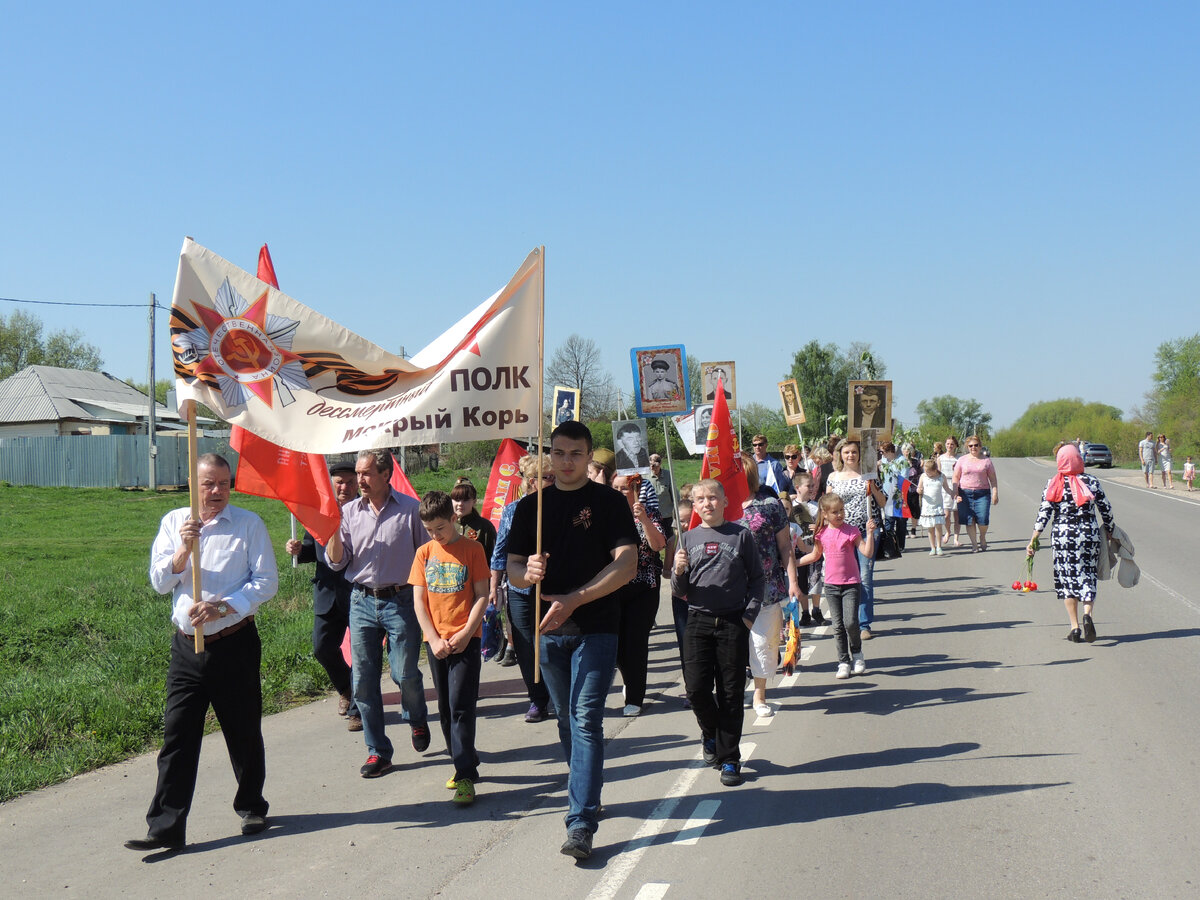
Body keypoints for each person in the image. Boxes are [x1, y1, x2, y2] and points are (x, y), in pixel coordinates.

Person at [126, 453, 277, 852]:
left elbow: (266, 583)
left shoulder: (248, 525)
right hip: (186, 648)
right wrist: (182, 552)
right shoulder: (174, 522)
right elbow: (160, 582)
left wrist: (223, 606)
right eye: (209, 484)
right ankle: (165, 826)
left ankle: (251, 806)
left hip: (234, 643)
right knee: (177, 734)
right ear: (194, 484)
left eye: (224, 485)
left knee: (242, 729)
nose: (217, 492)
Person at [506, 420, 638, 861]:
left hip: (597, 626)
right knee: (564, 720)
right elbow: (514, 570)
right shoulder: (531, 509)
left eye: (575, 454)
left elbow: (628, 565)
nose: (566, 462)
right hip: (548, 630)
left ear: (588, 456)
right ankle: (588, 788)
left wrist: (576, 600)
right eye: (559, 453)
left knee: (585, 719)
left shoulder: (609, 503)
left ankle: (580, 822)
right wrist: (530, 575)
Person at [327, 449, 431, 779]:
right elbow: (336, 562)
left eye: (366, 473)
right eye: (358, 473)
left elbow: (426, 556)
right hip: (361, 601)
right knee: (364, 681)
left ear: (386, 475)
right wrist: (330, 528)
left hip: (400, 600)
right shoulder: (348, 513)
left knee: (404, 673)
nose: (359, 480)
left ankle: (415, 717)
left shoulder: (410, 510)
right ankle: (378, 752)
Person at [672, 479, 764, 787]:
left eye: (713, 497)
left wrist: (748, 618)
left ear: (724, 501)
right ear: (694, 505)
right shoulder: (687, 538)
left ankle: (730, 759)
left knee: (730, 693)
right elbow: (678, 590)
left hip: (732, 622)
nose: (707, 503)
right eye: (701, 499)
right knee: (696, 689)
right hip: (698, 620)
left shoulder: (741, 536)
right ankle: (710, 733)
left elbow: (757, 579)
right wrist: (678, 570)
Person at [409, 491, 491, 805]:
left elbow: (482, 595)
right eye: (429, 530)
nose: (435, 535)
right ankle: (462, 760)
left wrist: (467, 632)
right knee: (444, 708)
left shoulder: (472, 549)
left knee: (461, 705)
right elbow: (419, 600)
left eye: (440, 528)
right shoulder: (423, 553)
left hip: (465, 640)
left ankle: (465, 775)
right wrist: (432, 637)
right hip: (437, 643)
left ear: (453, 519)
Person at [285, 459, 362, 731]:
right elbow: (312, 551)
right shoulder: (320, 512)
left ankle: (358, 710)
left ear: (358, 483)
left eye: (350, 481)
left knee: (361, 652)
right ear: (331, 484)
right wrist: (298, 550)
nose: (345, 487)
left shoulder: (366, 511)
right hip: (327, 593)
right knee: (322, 648)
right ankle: (345, 688)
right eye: (339, 482)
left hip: (358, 594)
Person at [1028, 443, 1116, 643]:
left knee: (1067, 579)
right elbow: (1106, 509)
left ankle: (1075, 627)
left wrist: (1033, 539)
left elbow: (1044, 513)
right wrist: (1110, 528)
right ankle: (1088, 615)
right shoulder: (1091, 481)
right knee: (1087, 574)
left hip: (1063, 537)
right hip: (1087, 535)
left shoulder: (1054, 482)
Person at [491, 454, 555, 722]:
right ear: (532, 482)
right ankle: (537, 699)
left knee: (552, 639)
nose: (553, 482)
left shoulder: (560, 508)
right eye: (548, 478)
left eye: (554, 477)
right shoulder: (512, 510)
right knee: (526, 644)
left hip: (553, 588)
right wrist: (494, 586)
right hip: (520, 589)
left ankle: (558, 691)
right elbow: (500, 552)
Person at [740, 451, 801, 718]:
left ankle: (759, 695)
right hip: (727, 589)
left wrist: (793, 582)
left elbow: (785, 546)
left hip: (766, 586)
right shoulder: (718, 503)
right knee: (734, 645)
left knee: (764, 643)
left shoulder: (770, 504)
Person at [797, 493, 877, 679]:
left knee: (851, 622)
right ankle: (843, 661)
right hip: (831, 585)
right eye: (835, 512)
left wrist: (870, 534)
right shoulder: (821, 533)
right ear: (824, 514)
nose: (840, 514)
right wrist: (793, 562)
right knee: (838, 625)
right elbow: (815, 555)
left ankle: (857, 654)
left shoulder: (852, 531)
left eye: (841, 510)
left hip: (851, 584)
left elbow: (867, 551)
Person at [612, 472, 666, 717]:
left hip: (643, 588)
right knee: (617, 646)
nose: (621, 492)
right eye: (616, 488)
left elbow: (658, 545)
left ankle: (634, 697)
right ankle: (629, 679)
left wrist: (643, 519)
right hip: (612, 588)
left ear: (635, 489)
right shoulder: (605, 515)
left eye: (625, 488)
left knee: (635, 643)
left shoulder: (648, 513)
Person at [826, 439, 886, 639]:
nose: (850, 455)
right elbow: (826, 506)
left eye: (854, 452)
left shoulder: (869, 475)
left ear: (860, 454)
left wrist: (872, 486)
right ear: (840, 455)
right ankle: (846, 620)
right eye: (846, 452)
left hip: (866, 532)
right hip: (841, 535)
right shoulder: (833, 477)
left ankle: (863, 624)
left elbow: (883, 502)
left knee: (865, 578)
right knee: (844, 578)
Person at [952, 436, 999, 553]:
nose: (973, 448)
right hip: (964, 493)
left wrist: (995, 493)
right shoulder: (962, 460)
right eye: (971, 446)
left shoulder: (986, 461)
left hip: (982, 493)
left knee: (983, 519)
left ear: (980, 446)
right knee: (969, 520)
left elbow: (993, 479)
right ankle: (974, 544)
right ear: (967, 447)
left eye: (976, 445)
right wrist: (955, 491)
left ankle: (982, 536)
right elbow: (956, 477)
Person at [789, 470, 823, 625]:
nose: (811, 488)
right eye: (808, 486)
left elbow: (824, 526)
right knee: (801, 581)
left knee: (815, 579)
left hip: (814, 548)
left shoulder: (816, 507)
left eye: (812, 485)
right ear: (798, 487)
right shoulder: (791, 506)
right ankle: (805, 612)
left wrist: (817, 526)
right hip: (798, 550)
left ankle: (816, 609)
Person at [916, 458, 951, 556]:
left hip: (938, 505)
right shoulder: (923, 476)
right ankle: (932, 547)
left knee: (938, 526)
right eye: (926, 471)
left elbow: (947, 489)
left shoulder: (941, 477)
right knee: (930, 528)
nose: (927, 473)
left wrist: (953, 494)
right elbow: (919, 488)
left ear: (935, 470)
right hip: (927, 506)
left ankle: (939, 546)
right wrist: (919, 491)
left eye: (929, 472)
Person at [750, 434, 792, 507]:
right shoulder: (749, 462)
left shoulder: (774, 464)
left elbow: (780, 487)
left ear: (766, 445)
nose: (757, 447)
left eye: (760, 444)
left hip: (768, 502)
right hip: (750, 501)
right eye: (755, 445)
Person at [934, 440, 959, 546]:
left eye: (952, 444)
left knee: (957, 514)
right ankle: (948, 532)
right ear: (945, 445)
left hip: (957, 485)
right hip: (945, 486)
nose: (950, 446)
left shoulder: (959, 459)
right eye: (948, 444)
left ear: (955, 446)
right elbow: (938, 473)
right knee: (946, 515)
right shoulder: (940, 458)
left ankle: (956, 538)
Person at [647, 453, 676, 538]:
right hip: (652, 515)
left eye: (655, 465)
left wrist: (677, 511)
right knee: (654, 539)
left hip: (666, 515)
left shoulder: (668, 475)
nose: (653, 468)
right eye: (651, 465)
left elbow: (674, 494)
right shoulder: (644, 476)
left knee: (670, 538)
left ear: (660, 464)